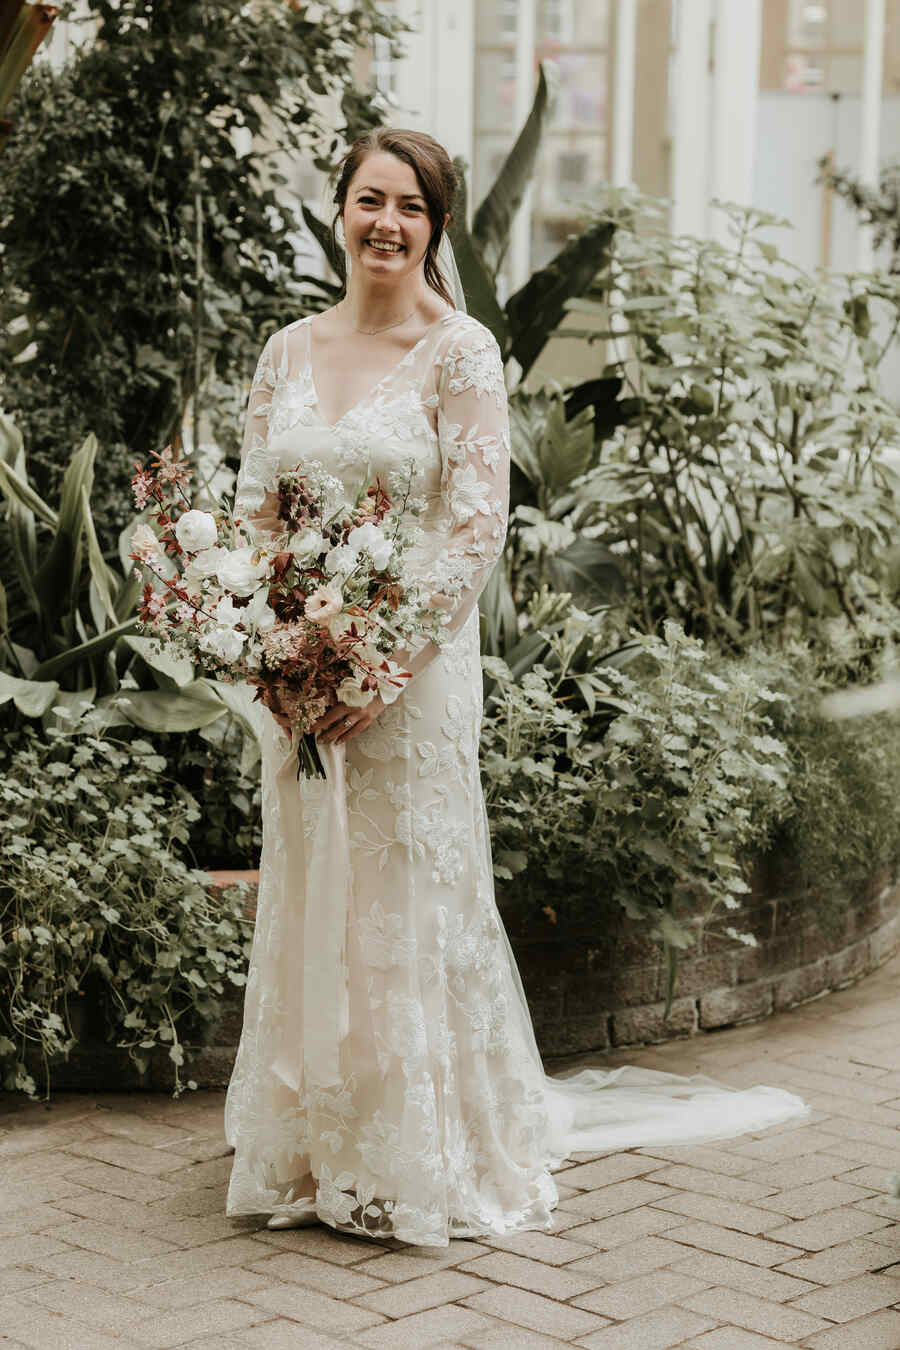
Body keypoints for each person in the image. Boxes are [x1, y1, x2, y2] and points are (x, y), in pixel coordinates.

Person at [223, 127, 807, 1247]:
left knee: (403, 908)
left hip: (412, 677)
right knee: (317, 901)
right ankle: (309, 1149)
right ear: (340, 210)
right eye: (368, 200)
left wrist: (382, 660)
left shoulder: (463, 353)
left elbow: (475, 527)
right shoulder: (286, 351)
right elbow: (255, 515)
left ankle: (416, 1152)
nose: (386, 223)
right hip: (301, 688)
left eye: (411, 207)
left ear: (436, 228)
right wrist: (275, 645)